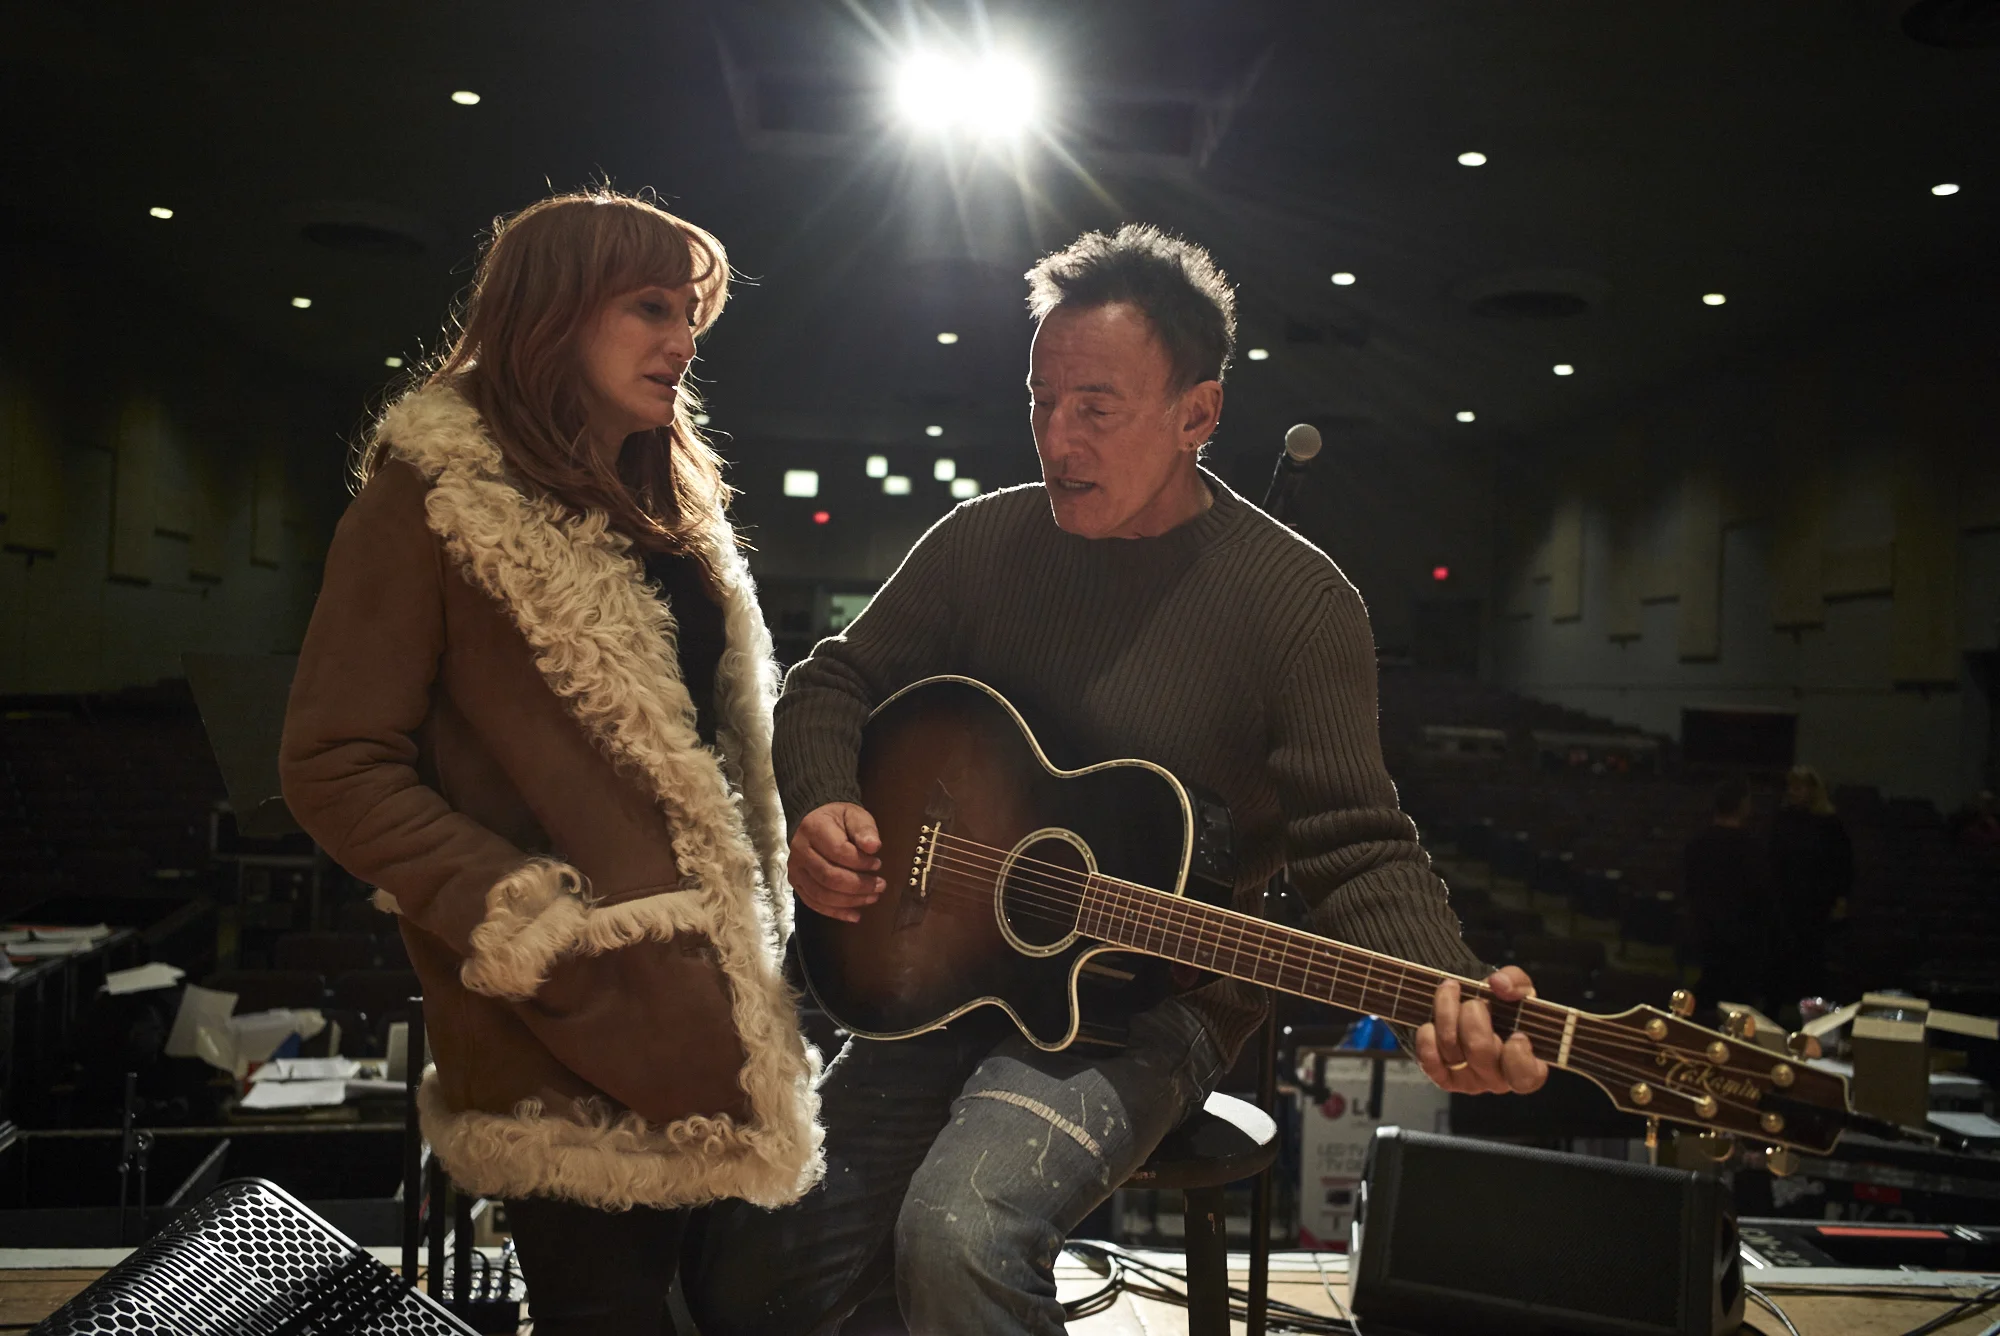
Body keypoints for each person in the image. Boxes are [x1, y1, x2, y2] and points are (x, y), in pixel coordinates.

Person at [682, 224, 1544, 1336]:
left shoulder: (1295, 601)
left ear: (1198, 413)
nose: (1055, 437)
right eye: (1040, 400)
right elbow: (832, 679)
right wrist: (823, 798)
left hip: (1150, 1005)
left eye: (1096, 406)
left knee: (957, 1234)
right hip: (937, 963)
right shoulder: (979, 543)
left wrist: (1448, 988)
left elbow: (1355, 840)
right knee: (764, 1254)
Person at [278, 191, 821, 1336]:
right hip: (560, 1024)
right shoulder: (429, 498)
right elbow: (332, 762)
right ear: (550, 313)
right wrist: (527, 921)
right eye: (647, 307)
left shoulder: (667, 502)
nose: (680, 340)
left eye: (688, 313)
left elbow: (716, 760)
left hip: (707, 1017)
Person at [1682, 776, 1774, 1018]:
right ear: (1744, 805)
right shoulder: (1753, 848)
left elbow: (1689, 887)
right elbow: (1762, 895)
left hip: (1704, 931)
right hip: (1741, 938)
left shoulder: (1697, 843)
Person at [1769, 765, 1852, 1012]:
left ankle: (1812, 1016)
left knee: (1811, 960)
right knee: (1781, 958)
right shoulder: (1783, 819)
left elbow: (1842, 864)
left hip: (1816, 902)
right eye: (1791, 787)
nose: (1793, 792)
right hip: (1786, 901)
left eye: (1799, 787)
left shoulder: (1829, 824)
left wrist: (1840, 899)